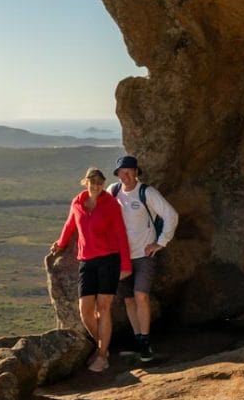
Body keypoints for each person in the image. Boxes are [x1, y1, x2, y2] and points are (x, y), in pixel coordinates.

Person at [50, 167, 131, 372]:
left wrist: (125, 265)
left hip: (109, 260)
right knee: (85, 311)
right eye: (92, 182)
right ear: (85, 182)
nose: (96, 187)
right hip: (86, 261)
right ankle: (102, 345)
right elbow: (70, 225)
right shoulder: (77, 203)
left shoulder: (111, 204)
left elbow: (121, 234)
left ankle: (102, 356)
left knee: (103, 308)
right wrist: (60, 244)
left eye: (99, 183)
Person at [108, 154, 178, 364]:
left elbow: (171, 215)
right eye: (122, 172)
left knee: (141, 297)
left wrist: (161, 242)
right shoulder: (113, 191)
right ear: (118, 174)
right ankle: (139, 340)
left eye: (130, 171)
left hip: (143, 255)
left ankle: (145, 342)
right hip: (121, 256)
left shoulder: (146, 192)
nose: (126, 175)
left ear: (137, 172)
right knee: (129, 299)